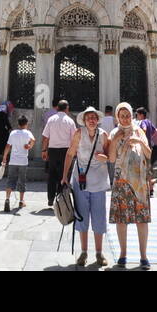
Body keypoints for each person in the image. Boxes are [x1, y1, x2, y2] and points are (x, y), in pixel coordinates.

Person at [63, 106, 110, 268]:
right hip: (80, 180)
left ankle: (99, 252)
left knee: (99, 217)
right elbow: (70, 154)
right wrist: (64, 176)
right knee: (81, 217)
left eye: (94, 117)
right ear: (84, 120)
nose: (91, 120)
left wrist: (102, 157)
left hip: (99, 181)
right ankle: (83, 252)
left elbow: (110, 157)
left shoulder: (104, 135)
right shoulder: (78, 133)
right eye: (88, 117)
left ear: (97, 120)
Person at [108, 102, 152, 268]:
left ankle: (143, 256)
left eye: (128, 115)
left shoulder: (139, 130)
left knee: (142, 220)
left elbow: (148, 153)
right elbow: (111, 159)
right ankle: (123, 254)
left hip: (139, 182)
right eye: (122, 115)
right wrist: (116, 140)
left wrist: (139, 142)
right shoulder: (114, 132)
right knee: (121, 220)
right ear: (117, 117)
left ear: (132, 115)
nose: (125, 118)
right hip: (121, 180)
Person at [42, 99, 77, 206]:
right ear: (67, 108)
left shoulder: (51, 119)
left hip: (52, 150)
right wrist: (74, 151)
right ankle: (60, 198)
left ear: (57, 107)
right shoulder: (70, 121)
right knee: (63, 175)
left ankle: (50, 199)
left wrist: (44, 150)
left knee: (51, 175)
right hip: (65, 151)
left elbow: (45, 137)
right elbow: (74, 138)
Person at [2, 115, 35, 212]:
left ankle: (7, 199)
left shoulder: (13, 133)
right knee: (22, 181)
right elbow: (33, 141)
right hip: (23, 162)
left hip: (13, 161)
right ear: (26, 124)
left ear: (18, 124)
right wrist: (29, 146)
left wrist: (4, 157)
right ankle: (21, 201)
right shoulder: (28, 133)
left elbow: (8, 146)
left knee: (10, 180)